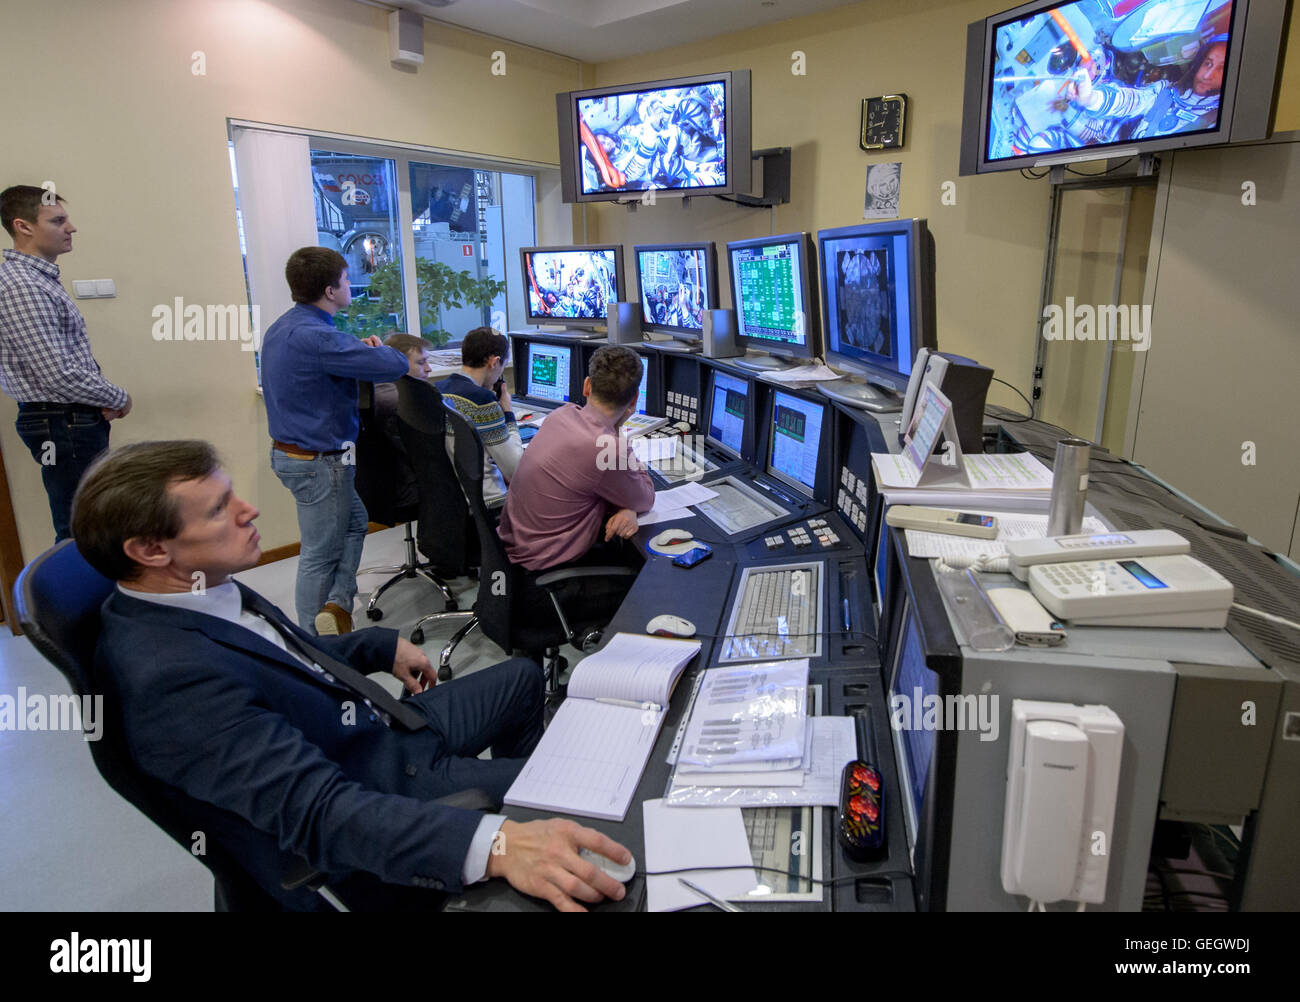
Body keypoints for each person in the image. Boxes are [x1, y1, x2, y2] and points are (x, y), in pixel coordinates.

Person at [74, 440, 632, 912]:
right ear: (149, 549)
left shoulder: (195, 590)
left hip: (383, 727)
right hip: (377, 785)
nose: (250, 510)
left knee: (520, 680)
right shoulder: (171, 682)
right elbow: (320, 815)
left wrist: (376, 645)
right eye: (221, 508)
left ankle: (525, 787)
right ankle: (525, 822)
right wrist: (499, 843)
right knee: (585, 796)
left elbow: (288, 656)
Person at [260, 246, 409, 636]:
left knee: (356, 522)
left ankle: (336, 608)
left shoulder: (285, 327)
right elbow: (396, 365)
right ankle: (313, 644)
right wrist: (378, 351)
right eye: (346, 281)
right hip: (320, 463)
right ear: (330, 290)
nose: (349, 287)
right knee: (318, 553)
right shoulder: (318, 338)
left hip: (303, 456)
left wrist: (358, 351)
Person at [0, 185, 131, 542]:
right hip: (62, 419)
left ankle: (94, 597)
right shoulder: (21, 285)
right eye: (58, 221)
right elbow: (56, 372)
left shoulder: (39, 279)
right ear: (23, 226)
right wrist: (117, 396)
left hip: (68, 416)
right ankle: (77, 598)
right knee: (82, 529)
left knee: (93, 521)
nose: (70, 228)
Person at [498, 344, 654, 574]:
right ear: (634, 401)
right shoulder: (607, 448)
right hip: (546, 567)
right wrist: (629, 503)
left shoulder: (561, 414)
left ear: (587, 386)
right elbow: (645, 498)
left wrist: (627, 505)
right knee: (638, 564)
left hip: (514, 549)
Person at [436, 327, 524, 507]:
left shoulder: (439, 390)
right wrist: (507, 413)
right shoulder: (482, 402)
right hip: (492, 502)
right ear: (494, 362)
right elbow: (514, 467)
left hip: (455, 499)